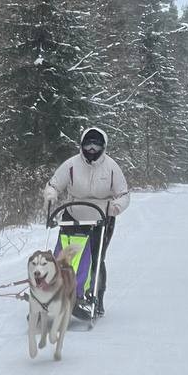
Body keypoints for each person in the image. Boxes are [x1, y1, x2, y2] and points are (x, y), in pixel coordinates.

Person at [42, 126, 130, 317]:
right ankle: (56, 294)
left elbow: (123, 194)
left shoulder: (112, 167)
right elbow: (54, 184)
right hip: (73, 215)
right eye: (87, 144)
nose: (91, 149)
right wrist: (51, 194)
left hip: (101, 218)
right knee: (64, 257)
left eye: (95, 145)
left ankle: (94, 297)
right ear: (81, 145)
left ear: (103, 147)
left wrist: (115, 207)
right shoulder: (71, 165)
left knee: (95, 259)